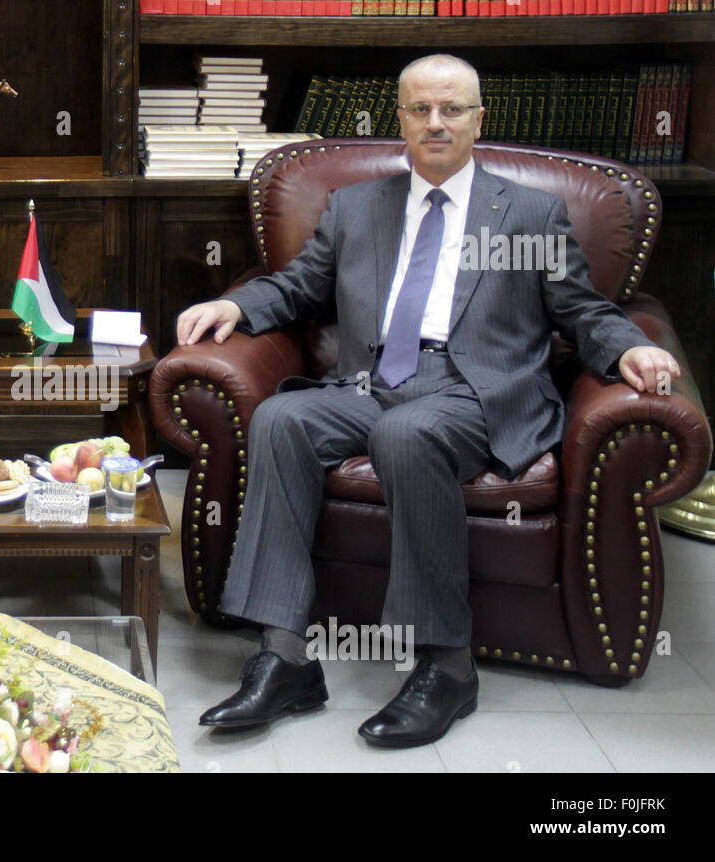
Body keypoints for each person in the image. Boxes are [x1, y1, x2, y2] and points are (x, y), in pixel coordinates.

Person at [177, 54, 679, 748]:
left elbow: (581, 308)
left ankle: (446, 665)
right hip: (372, 382)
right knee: (281, 418)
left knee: (407, 433)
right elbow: (298, 285)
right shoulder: (357, 206)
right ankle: (285, 658)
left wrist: (627, 349)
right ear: (402, 119)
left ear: (478, 120)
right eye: (420, 109)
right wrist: (236, 306)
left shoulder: (528, 212)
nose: (436, 122)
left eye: (452, 109)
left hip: (476, 388)